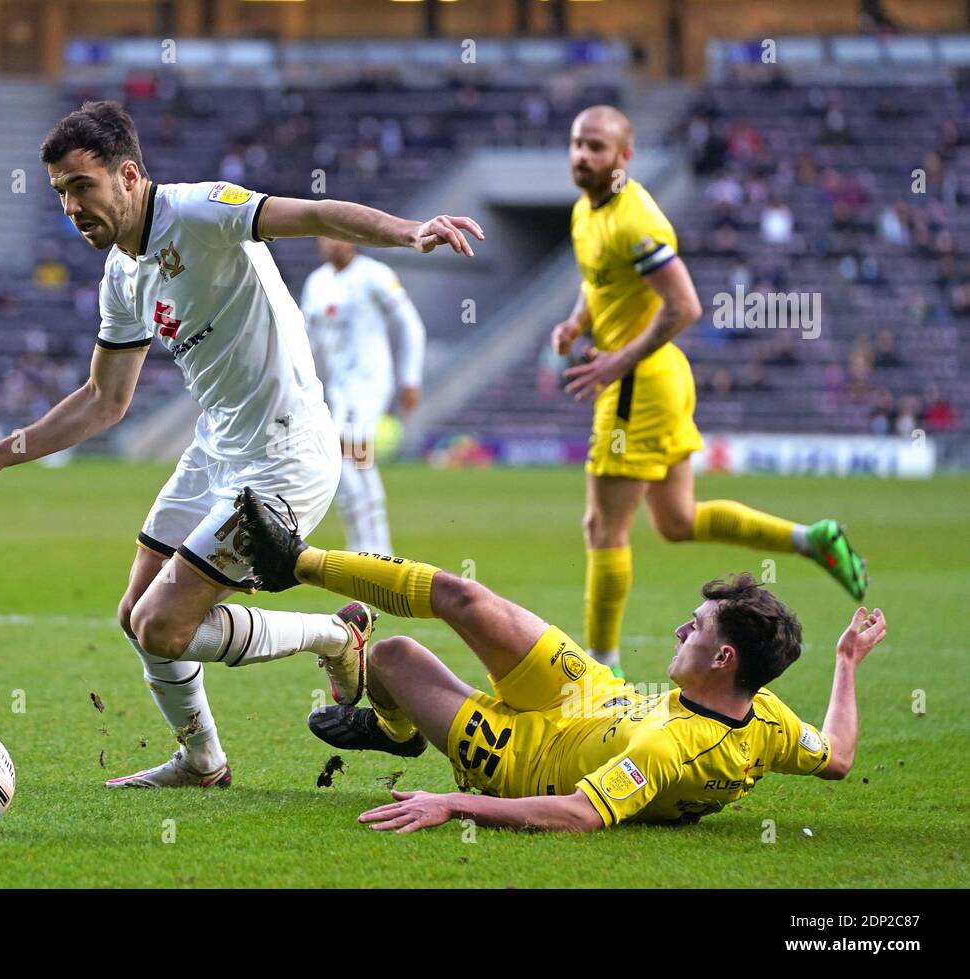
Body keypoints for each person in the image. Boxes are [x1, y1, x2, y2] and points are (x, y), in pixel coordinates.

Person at [0, 101, 484, 788]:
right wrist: (2, 452)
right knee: (134, 615)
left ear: (128, 175)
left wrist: (410, 232)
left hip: (286, 450)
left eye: (82, 186)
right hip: (217, 449)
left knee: (164, 626)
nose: (71, 207)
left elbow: (312, 215)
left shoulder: (201, 211)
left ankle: (334, 636)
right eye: (59, 194)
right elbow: (105, 399)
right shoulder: (121, 274)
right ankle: (202, 761)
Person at [235, 487, 887, 833]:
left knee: (394, 659)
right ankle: (294, 560)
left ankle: (394, 727)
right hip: (590, 694)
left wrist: (454, 804)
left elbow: (578, 813)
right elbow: (837, 755)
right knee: (465, 596)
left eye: (696, 627)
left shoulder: (671, 747)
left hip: (525, 757)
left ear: (723, 657)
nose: (679, 626)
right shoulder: (766, 718)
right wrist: (847, 662)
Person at [549, 105, 866, 677]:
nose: (581, 155)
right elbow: (598, 277)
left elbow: (685, 305)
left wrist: (615, 360)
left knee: (603, 528)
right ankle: (810, 539)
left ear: (624, 156)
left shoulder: (635, 219)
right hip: (658, 381)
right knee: (675, 520)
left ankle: (602, 670)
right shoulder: (585, 211)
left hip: (637, 387)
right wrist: (578, 322)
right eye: (576, 143)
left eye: (596, 146)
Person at [300, 237, 426, 553]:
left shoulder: (374, 274)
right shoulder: (317, 283)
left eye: (336, 235)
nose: (331, 243)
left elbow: (410, 324)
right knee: (357, 462)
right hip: (337, 391)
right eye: (324, 236)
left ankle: (369, 547)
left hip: (369, 384)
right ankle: (373, 549)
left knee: (344, 453)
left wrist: (410, 378)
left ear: (352, 239)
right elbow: (307, 341)